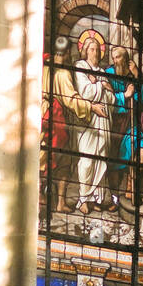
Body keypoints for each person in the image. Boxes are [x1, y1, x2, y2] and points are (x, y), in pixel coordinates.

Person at [41, 36, 95, 212]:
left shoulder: (44, 63)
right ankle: (60, 202)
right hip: (57, 119)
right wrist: (91, 107)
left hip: (41, 114)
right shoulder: (63, 74)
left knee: (43, 158)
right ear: (66, 53)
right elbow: (71, 99)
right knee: (63, 161)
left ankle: (41, 196)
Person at [73, 32, 115, 215]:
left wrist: (100, 84)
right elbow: (85, 92)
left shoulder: (102, 72)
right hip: (88, 121)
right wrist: (100, 86)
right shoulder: (80, 66)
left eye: (98, 50)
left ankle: (97, 199)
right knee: (88, 160)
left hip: (104, 121)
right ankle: (83, 199)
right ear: (85, 51)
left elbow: (111, 98)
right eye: (92, 49)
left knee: (101, 161)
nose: (96, 53)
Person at [105, 46, 143, 200]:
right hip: (114, 124)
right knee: (114, 162)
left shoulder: (133, 73)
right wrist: (125, 95)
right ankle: (114, 197)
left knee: (142, 153)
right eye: (113, 57)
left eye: (118, 57)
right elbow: (107, 98)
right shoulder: (108, 74)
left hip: (131, 123)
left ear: (125, 59)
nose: (114, 60)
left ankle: (132, 184)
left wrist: (137, 75)